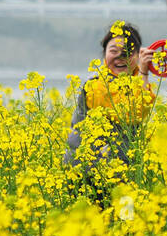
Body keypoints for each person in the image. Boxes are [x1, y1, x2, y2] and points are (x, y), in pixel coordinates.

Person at [63, 21, 159, 174]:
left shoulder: (136, 81)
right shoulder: (96, 85)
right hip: (87, 173)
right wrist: (144, 72)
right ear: (104, 53)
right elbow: (132, 114)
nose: (121, 58)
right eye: (113, 51)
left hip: (119, 172)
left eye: (127, 52)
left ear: (138, 55)